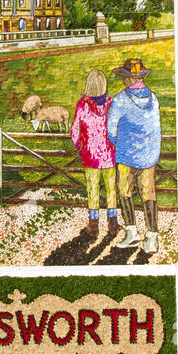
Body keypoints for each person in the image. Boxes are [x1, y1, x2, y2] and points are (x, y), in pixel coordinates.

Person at [106, 57, 161, 256]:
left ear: (128, 79)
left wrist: (119, 142)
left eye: (124, 77)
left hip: (127, 154)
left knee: (125, 191)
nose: (123, 81)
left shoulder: (120, 99)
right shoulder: (153, 98)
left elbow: (111, 130)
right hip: (149, 154)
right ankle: (152, 236)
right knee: (149, 193)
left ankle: (132, 232)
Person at [70, 69, 117, 240]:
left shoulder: (82, 105)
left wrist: (80, 146)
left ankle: (94, 224)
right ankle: (112, 222)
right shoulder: (111, 104)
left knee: (92, 189)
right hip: (109, 154)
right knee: (112, 188)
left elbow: (75, 130)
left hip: (90, 156)